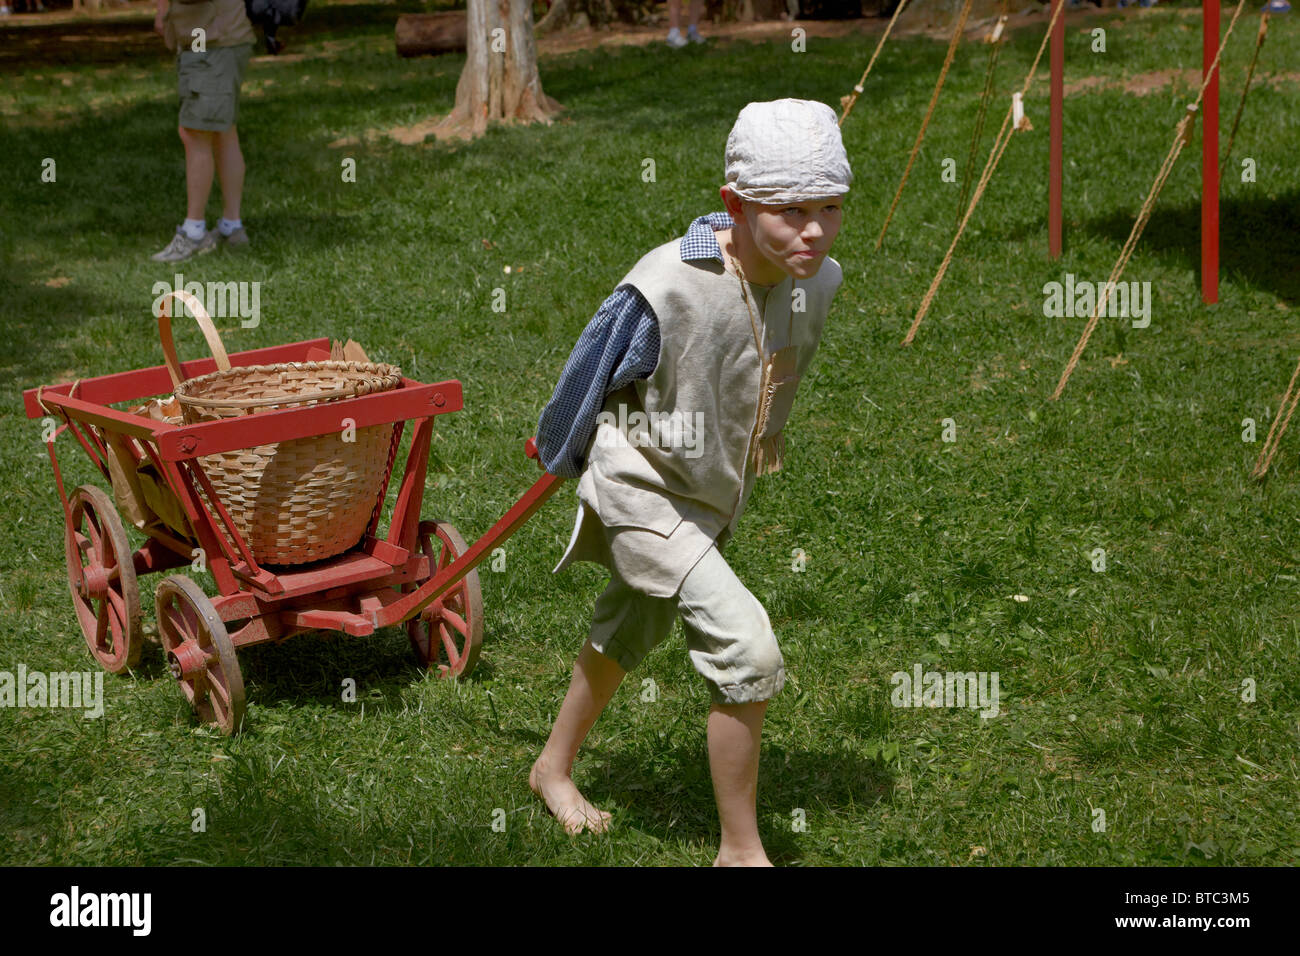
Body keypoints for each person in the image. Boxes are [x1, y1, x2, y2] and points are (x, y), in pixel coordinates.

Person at [529, 99, 850, 866]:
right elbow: (594, 365)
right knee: (748, 650)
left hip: (706, 487)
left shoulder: (818, 278)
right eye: (791, 211)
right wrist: (557, 447)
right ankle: (741, 852)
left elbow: (779, 361)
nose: (813, 230)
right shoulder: (668, 283)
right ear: (734, 204)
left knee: (629, 625)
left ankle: (550, 768)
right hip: (640, 480)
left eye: (831, 209)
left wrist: (765, 434)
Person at [151, 0, 257, 263]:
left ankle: (193, 232)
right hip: (215, 40)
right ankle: (232, 227)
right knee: (223, 132)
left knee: (195, 133)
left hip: (214, 44)